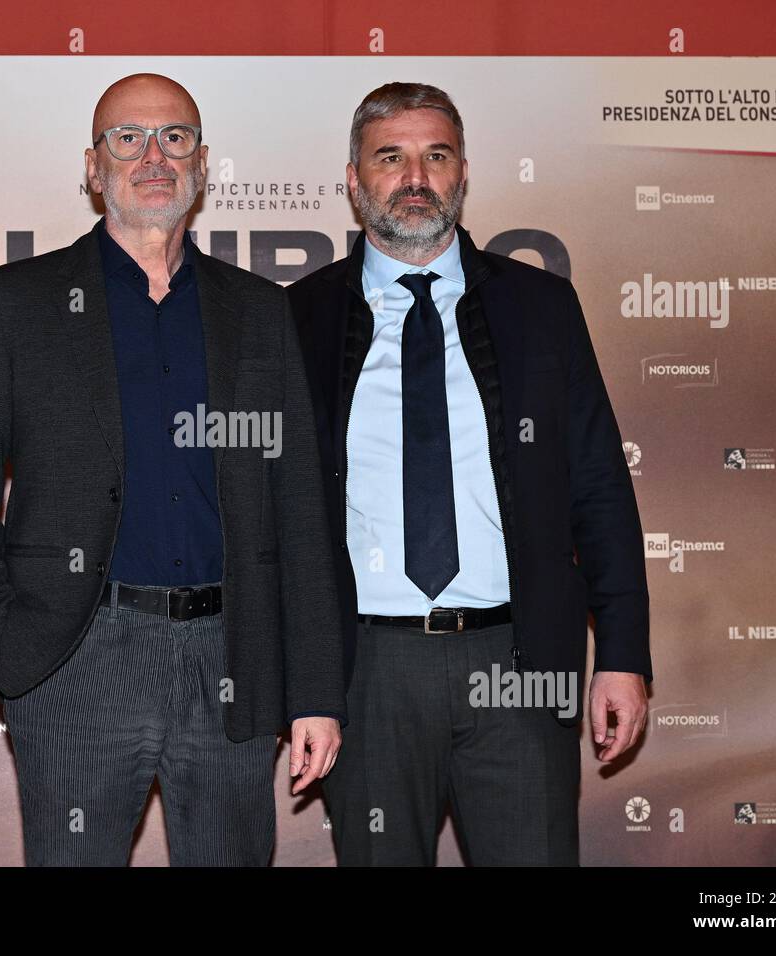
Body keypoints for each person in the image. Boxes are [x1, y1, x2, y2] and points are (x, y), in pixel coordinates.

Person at [0, 73, 345, 866]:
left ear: (203, 162)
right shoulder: (19, 301)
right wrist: (5, 641)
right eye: (128, 138)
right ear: (93, 167)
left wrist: (317, 690)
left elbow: (299, 505)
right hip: (76, 656)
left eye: (175, 137)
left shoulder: (259, 311)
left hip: (234, 661)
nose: (154, 155)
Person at [286, 82, 652, 866]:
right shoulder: (298, 318)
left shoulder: (542, 307)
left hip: (519, 660)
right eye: (391, 156)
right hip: (366, 674)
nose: (415, 175)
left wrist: (622, 652)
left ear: (462, 175)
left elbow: (598, 488)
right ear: (354, 180)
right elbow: (275, 515)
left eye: (436, 155)